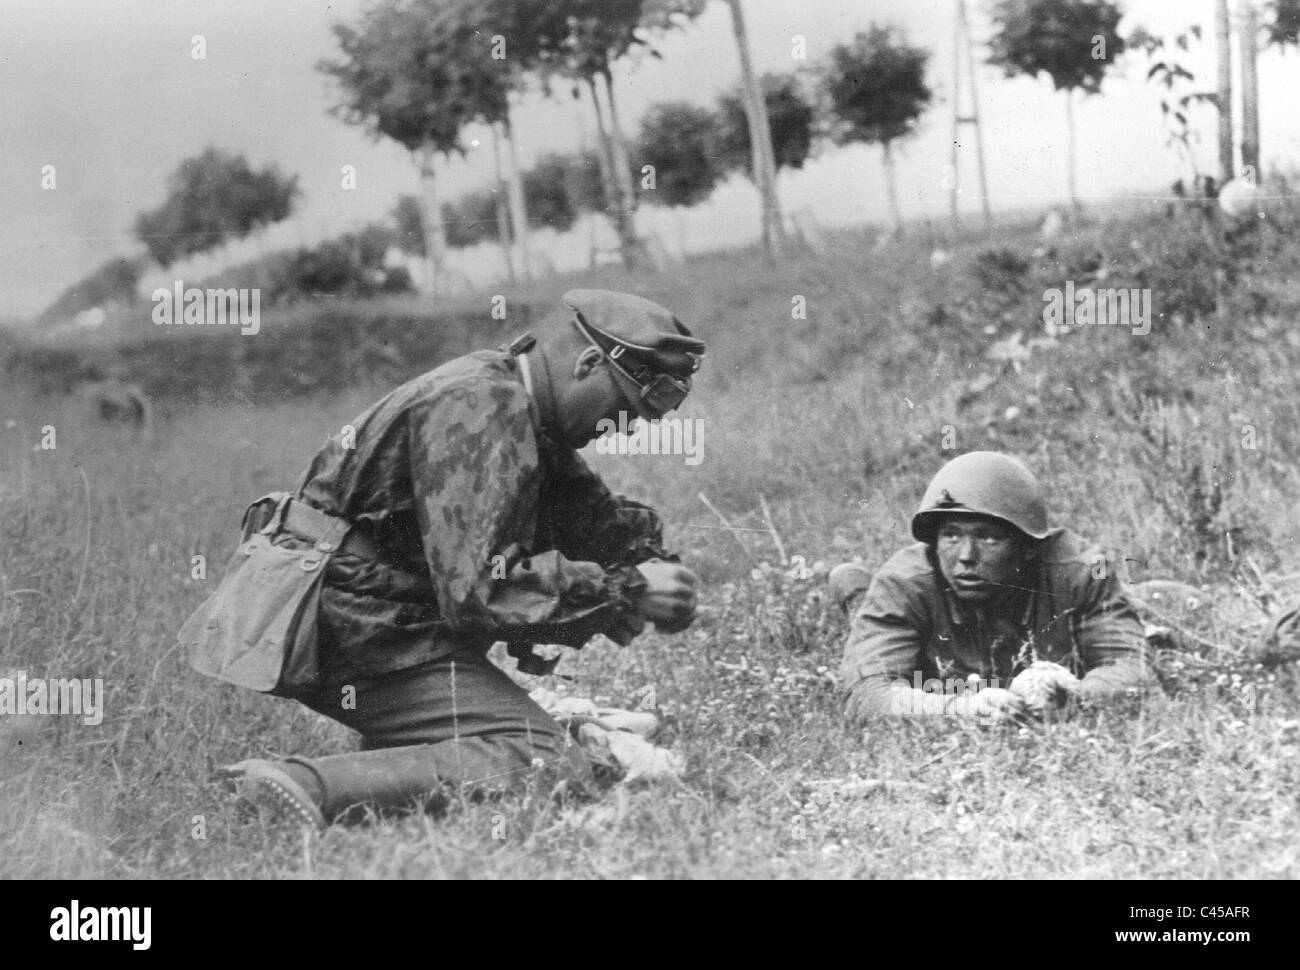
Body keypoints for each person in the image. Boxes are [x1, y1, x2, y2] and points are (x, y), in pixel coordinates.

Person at [213, 289, 704, 828]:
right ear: (588, 364)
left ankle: (408, 758)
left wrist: (655, 567)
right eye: (623, 408)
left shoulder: (521, 406)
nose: (626, 426)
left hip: (365, 609)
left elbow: (592, 516)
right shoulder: (480, 408)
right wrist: (629, 591)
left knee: (513, 740)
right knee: (541, 758)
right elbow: (479, 593)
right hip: (340, 619)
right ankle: (300, 786)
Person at [832, 451, 1156, 723]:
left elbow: (1132, 668)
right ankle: (857, 594)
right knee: (866, 626)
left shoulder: (1079, 573)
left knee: (1165, 607)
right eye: (951, 535)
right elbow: (866, 695)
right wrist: (956, 709)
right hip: (937, 676)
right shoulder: (904, 584)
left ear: (1028, 545)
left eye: (988, 537)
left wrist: (1073, 693)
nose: (966, 557)